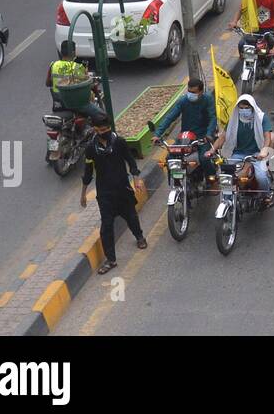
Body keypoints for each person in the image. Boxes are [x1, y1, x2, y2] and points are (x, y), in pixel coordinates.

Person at [80, 116, 147, 275]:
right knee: (106, 227)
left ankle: (139, 237)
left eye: (106, 130)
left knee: (131, 216)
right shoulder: (91, 148)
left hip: (123, 189)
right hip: (104, 194)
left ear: (109, 127)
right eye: (100, 131)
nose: (103, 133)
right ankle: (111, 260)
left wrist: (136, 178)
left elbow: (130, 161)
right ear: (95, 130)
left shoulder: (119, 142)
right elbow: (88, 172)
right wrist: (83, 194)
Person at [213, 93, 274, 204]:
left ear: (252, 108)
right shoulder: (234, 119)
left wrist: (263, 151)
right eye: (241, 108)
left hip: (256, 154)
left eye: (246, 108)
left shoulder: (261, 118)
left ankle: (266, 195)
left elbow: (267, 137)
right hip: (238, 154)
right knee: (226, 176)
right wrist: (212, 149)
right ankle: (227, 200)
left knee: (261, 177)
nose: (243, 110)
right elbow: (223, 136)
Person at [153, 77, 218, 171]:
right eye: (189, 91)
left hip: (202, 136)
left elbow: (212, 117)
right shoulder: (183, 101)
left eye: (194, 92)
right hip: (185, 137)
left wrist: (209, 134)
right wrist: (158, 134)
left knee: (204, 159)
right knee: (170, 159)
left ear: (201, 91)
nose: (191, 94)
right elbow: (170, 117)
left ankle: (211, 183)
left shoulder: (208, 99)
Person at [45, 39, 107, 124]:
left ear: (61, 51)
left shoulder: (53, 65)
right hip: (75, 103)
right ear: (73, 52)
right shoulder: (77, 67)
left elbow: (48, 84)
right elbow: (87, 84)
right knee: (103, 117)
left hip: (59, 102)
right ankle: (109, 135)